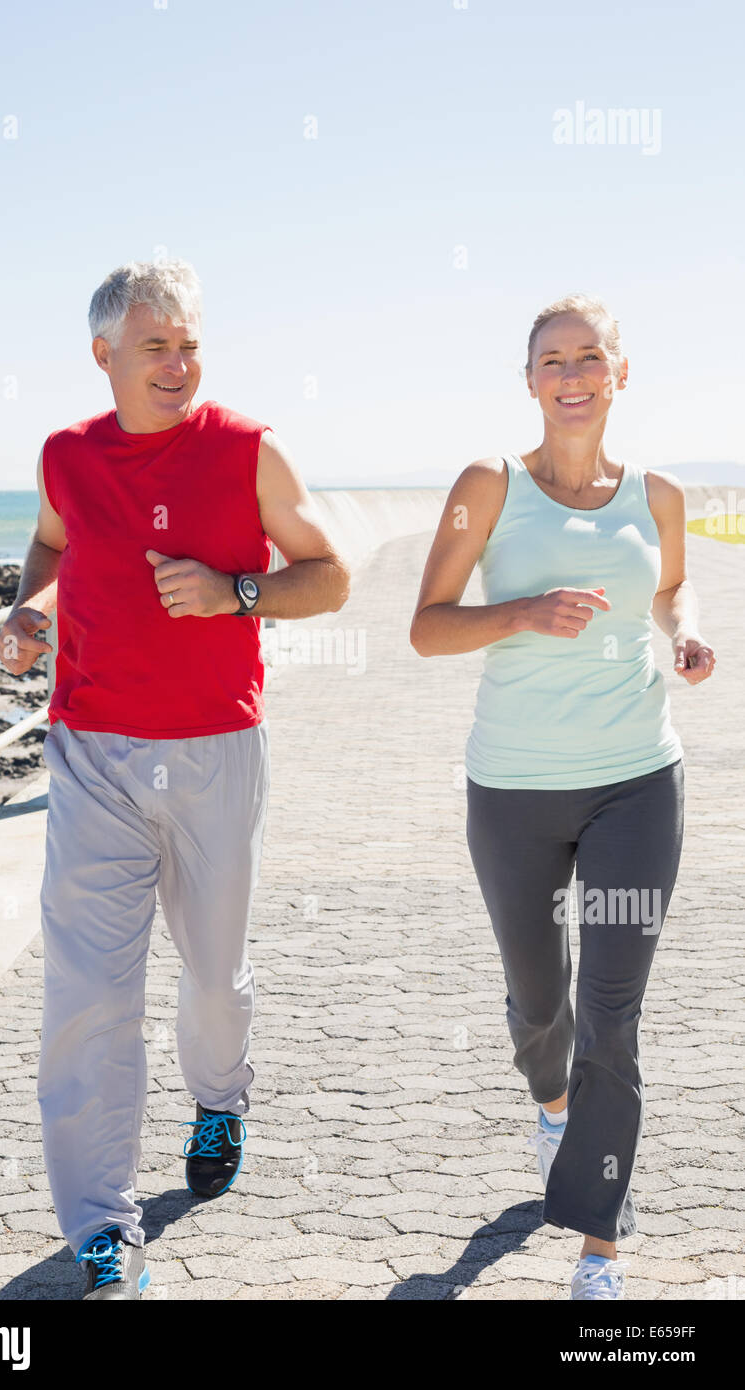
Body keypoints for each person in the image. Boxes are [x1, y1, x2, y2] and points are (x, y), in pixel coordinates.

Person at [0, 258, 350, 1299]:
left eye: (189, 343)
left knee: (209, 974)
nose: (178, 363)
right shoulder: (65, 456)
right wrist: (30, 611)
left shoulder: (248, 451)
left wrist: (233, 590)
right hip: (91, 750)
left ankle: (220, 1097)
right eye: (156, 345)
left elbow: (327, 577)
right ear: (102, 353)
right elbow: (50, 542)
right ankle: (101, 1223)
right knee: (89, 993)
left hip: (215, 749)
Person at [410, 293, 715, 1301]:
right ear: (530, 380)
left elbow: (667, 587)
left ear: (619, 372)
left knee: (609, 1014)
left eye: (590, 356)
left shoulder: (658, 493)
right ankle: (549, 1097)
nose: (572, 374)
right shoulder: (485, 486)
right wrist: (521, 612)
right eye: (552, 360)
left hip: (636, 780)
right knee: (541, 1006)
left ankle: (599, 1242)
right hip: (512, 790)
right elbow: (426, 626)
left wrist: (678, 631)